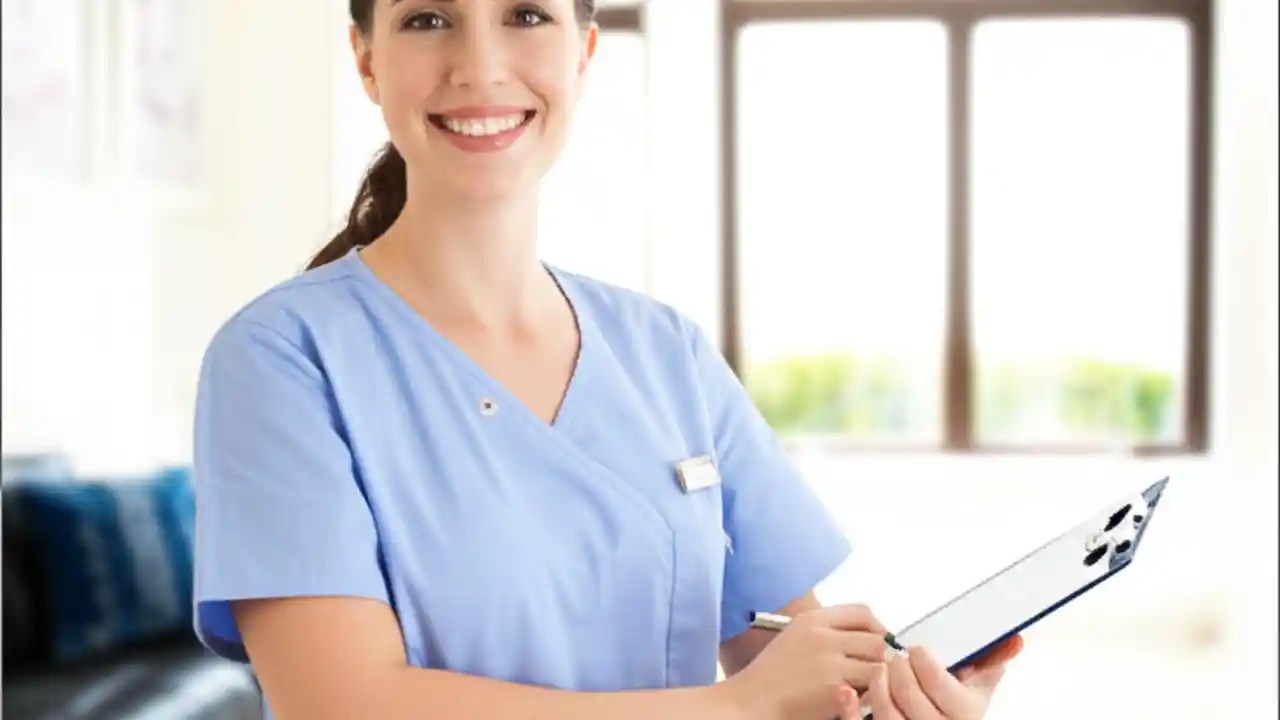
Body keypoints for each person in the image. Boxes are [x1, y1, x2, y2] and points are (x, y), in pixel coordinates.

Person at [191, 1, 1022, 718]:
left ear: (584, 53)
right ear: (367, 60)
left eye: (526, 16)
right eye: (429, 19)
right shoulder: (281, 360)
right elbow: (343, 706)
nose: (479, 65)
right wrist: (729, 710)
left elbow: (790, 676)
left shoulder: (668, 355)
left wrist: (899, 700)